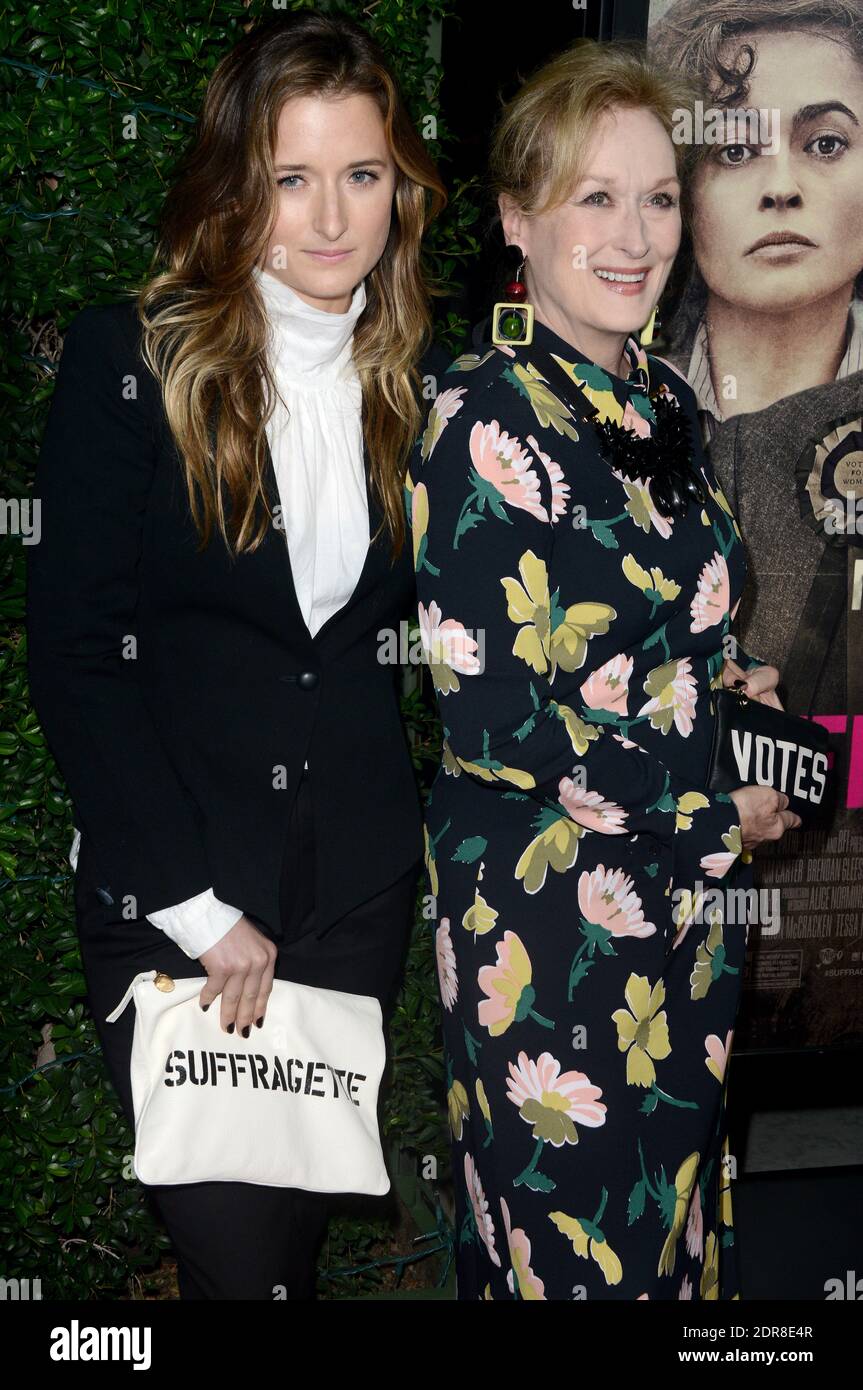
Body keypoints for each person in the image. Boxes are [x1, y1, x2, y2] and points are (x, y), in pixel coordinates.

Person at [26, 11, 447, 1300]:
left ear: (400, 187)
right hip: (181, 902)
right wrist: (201, 914)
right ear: (233, 186)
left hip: (352, 897)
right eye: (290, 177)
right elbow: (77, 656)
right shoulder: (131, 361)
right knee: (237, 1257)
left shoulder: (419, 381)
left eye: (361, 174)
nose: (331, 217)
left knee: (287, 1252)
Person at [405, 39, 798, 1301]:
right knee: (577, 1269)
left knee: (669, 1251)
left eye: (657, 197)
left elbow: (657, 641)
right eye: (593, 197)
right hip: (549, 932)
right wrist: (708, 811)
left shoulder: (652, 396)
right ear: (517, 219)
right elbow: (506, 723)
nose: (633, 235)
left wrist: (729, 694)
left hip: (677, 923)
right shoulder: (481, 416)